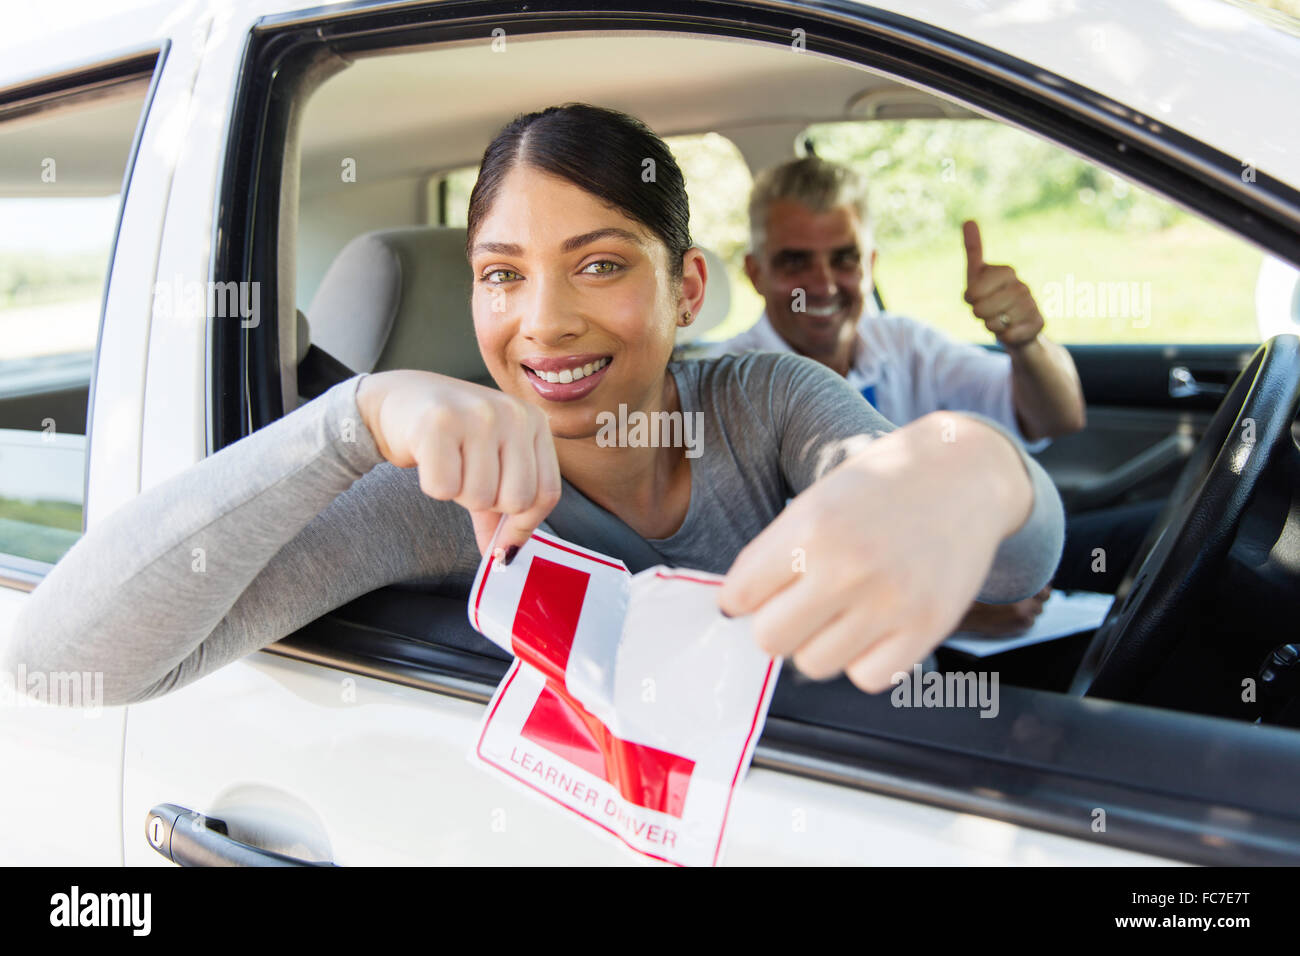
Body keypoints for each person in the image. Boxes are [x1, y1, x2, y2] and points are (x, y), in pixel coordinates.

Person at [1, 103, 1064, 708]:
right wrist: (352, 419)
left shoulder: (762, 399)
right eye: (502, 275)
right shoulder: (436, 494)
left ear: (687, 288)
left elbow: (1015, 559)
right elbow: (61, 665)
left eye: (600, 265)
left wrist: (969, 462)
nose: (544, 322)